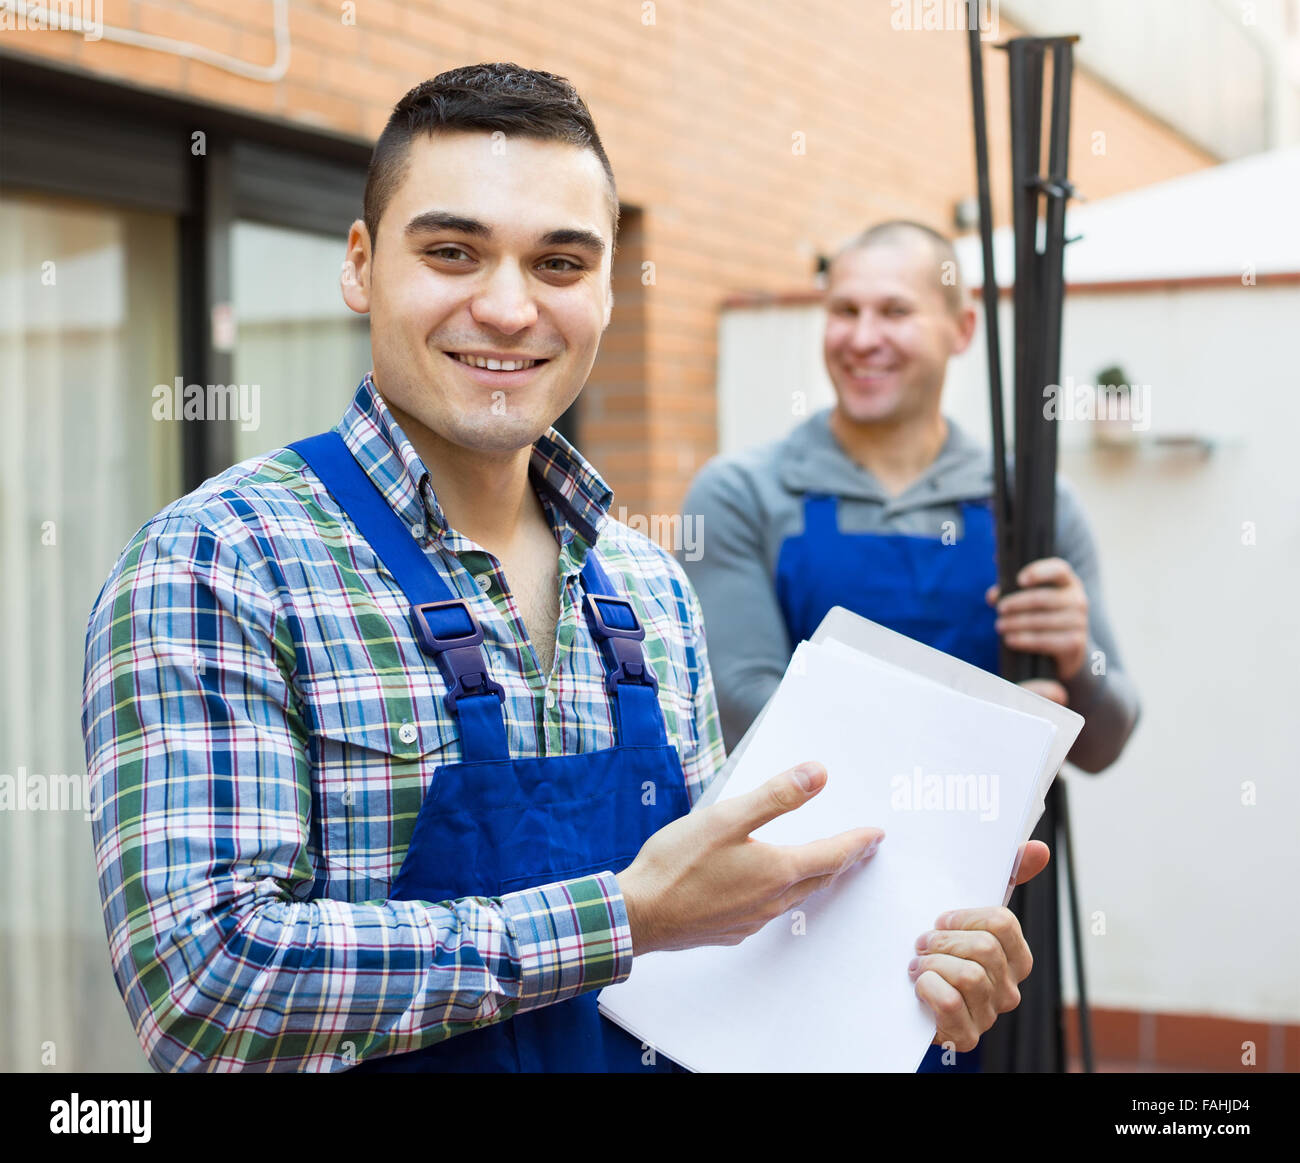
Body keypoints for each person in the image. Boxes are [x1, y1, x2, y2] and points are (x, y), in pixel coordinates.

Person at [82, 70, 1046, 1074]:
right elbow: (204, 986)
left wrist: (896, 963)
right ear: (361, 266)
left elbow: (712, 949)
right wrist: (620, 917)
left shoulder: (647, 587)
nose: (506, 308)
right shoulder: (223, 562)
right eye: (452, 252)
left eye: (558, 262)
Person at [681, 220, 1141, 1071]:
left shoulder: (1033, 505)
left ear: (962, 329)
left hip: (992, 925)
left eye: (893, 310)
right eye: (843, 309)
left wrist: (1082, 661)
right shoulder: (742, 492)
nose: (862, 337)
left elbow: (1110, 737)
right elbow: (750, 704)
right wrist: (994, 725)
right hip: (808, 906)